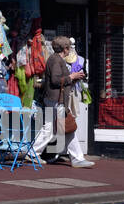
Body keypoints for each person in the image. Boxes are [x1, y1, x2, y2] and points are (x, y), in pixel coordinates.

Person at [29, 35, 94, 167]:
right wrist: (72, 76)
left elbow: (59, 80)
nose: (70, 50)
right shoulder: (56, 60)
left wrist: (74, 78)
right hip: (56, 101)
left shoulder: (55, 59)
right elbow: (55, 80)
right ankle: (76, 158)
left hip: (54, 100)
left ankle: (34, 152)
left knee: (58, 128)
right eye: (69, 47)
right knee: (63, 127)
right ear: (65, 48)